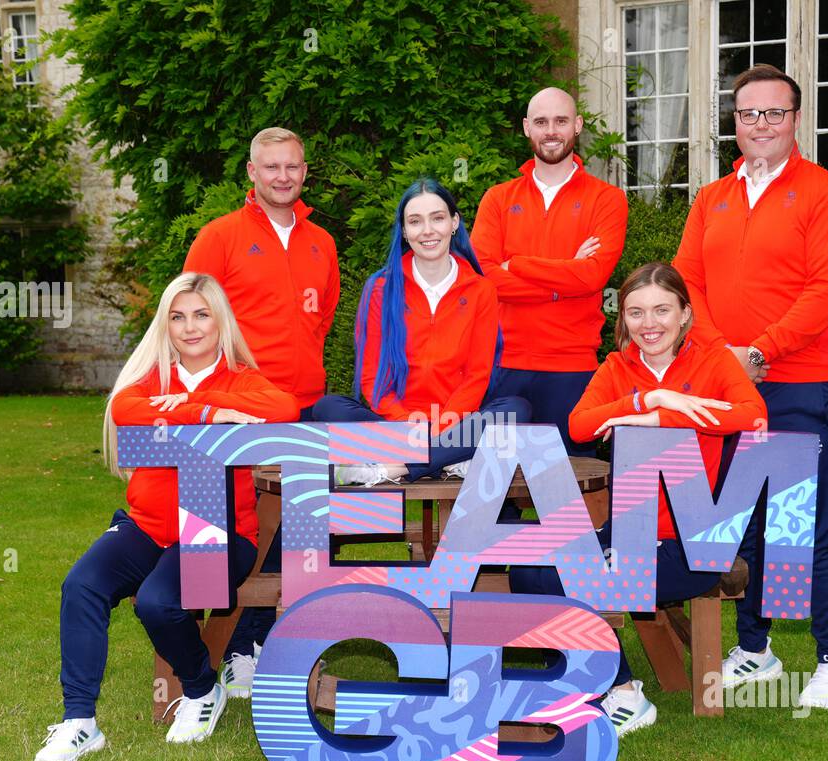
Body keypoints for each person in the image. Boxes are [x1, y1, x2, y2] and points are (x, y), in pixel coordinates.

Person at [34, 273, 300, 761]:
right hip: (149, 527)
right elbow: (124, 408)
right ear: (166, 325)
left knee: (157, 601)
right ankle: (79, 723)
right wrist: (201, 413)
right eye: (178, 317)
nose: (190, 327)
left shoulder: (242, 379)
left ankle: (201, 690)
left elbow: (283, 406)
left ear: (220, 320)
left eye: (201, 315)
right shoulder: (154, 382)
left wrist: (209, 404)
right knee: (82, 585)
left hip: (220, 537)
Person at [509, 262, 766, 735]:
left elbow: (751, 414)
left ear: (685, 313)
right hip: (632, 532)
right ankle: (620, 688)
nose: (649, 324)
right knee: (530, 569)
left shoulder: (712, 359)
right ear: (623, 319)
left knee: (569, 576)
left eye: (662, 310)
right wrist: (647, 401)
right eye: (636, 313)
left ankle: (606, 688)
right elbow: (580, 424)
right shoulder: (618, 367)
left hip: (695, 544)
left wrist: (659, 420)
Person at [672, 64, 828, 709]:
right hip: (728, 384)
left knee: (807, 527)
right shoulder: (711, 198)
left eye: (774, 114)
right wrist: (724, 353)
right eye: (750, 113)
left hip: (800, 383)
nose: (761, 124)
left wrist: (762, 350)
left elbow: (826, 289)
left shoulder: (825, 193)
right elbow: (684, 281)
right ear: (735, 122)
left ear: (795, 121)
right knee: (743, 523)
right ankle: (755, 650)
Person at [183, 127, 340, 682]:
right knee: (228, 539)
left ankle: (254, 645)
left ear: (304, 171)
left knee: (314, 525)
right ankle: (203, 655)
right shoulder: (219, 237)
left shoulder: (321, 241)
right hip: (239, 415)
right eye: (270, 167)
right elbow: (191, 323)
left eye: (292, 166)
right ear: (251, 172)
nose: (282, 176)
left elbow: (318, 322)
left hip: (305, 409)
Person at [313, 179, 530, 482]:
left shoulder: (481, 290)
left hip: (454, 423)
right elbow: (372, 379)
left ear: (454, 223)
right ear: (404, 231)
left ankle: (397, 467)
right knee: (327, 408)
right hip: (397, 425)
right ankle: (448, 458)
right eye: (415, 221)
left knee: (516, 410)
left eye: (437, 218)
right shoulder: (380, 289)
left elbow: (477, 376)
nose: (427, 230)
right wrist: (410, 426)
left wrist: (441, 428)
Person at [471, 87, 628, 459]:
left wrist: (519, 264)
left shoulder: (607, 199)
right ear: (527, 128)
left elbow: (591, 278)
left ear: (577, 125)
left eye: (560, 121)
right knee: (496, 495)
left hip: (571, 367)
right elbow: (484, 278)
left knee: (569, 494)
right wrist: (563, 281)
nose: (551, 130)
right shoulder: (498, 198)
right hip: (504, 365)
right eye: (541, 122)